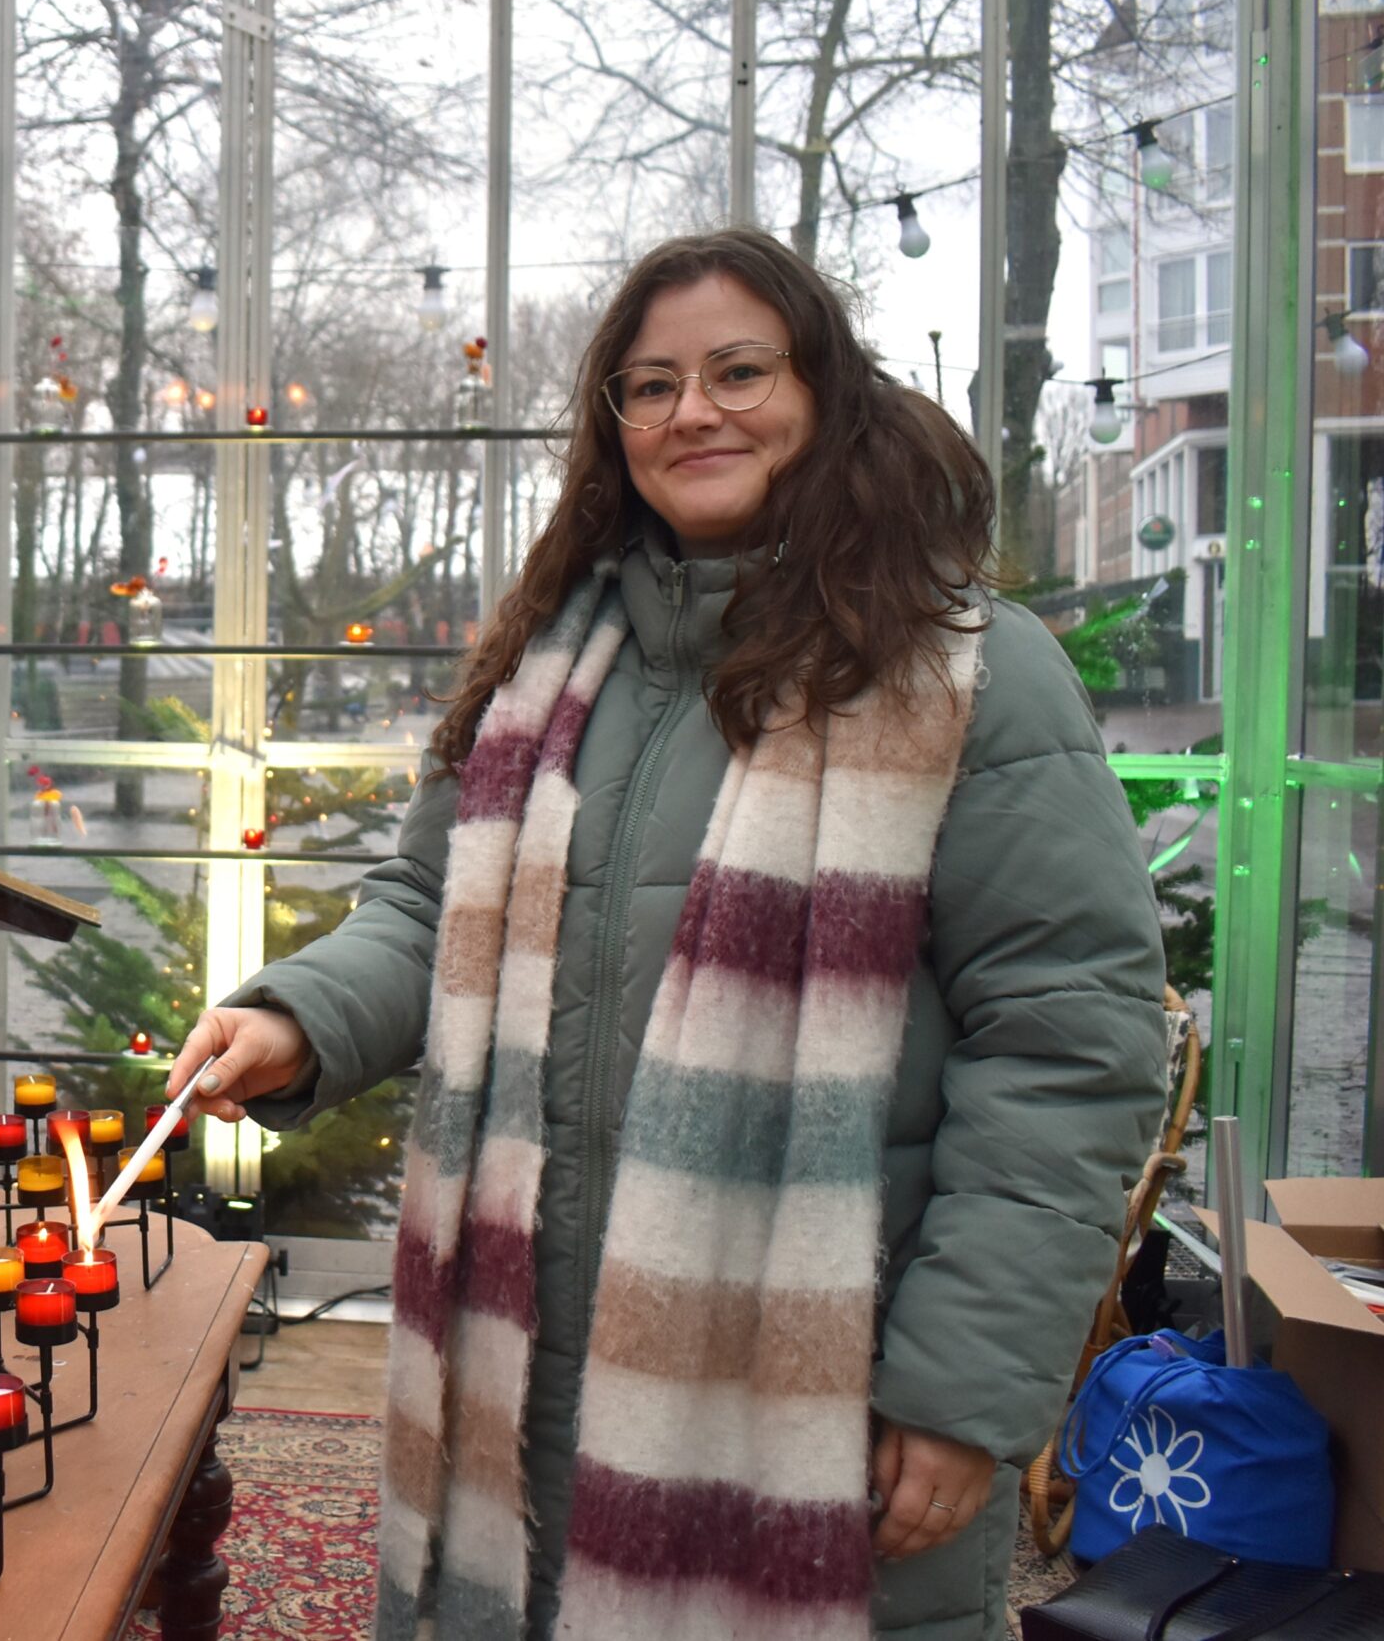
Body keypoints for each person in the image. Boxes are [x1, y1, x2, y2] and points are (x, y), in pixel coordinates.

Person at [166, 229, 1165, 1641]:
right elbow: (428, 908)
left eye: (739, 371)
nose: (693, 411)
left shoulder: (974, 676)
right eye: (650, 385)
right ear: (614, 426)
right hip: (519, 1380)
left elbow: (1069, 1049)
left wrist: (960, 1389)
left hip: (825, 1388)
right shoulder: (542, 671)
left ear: (826, 394)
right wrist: (298, 1016)